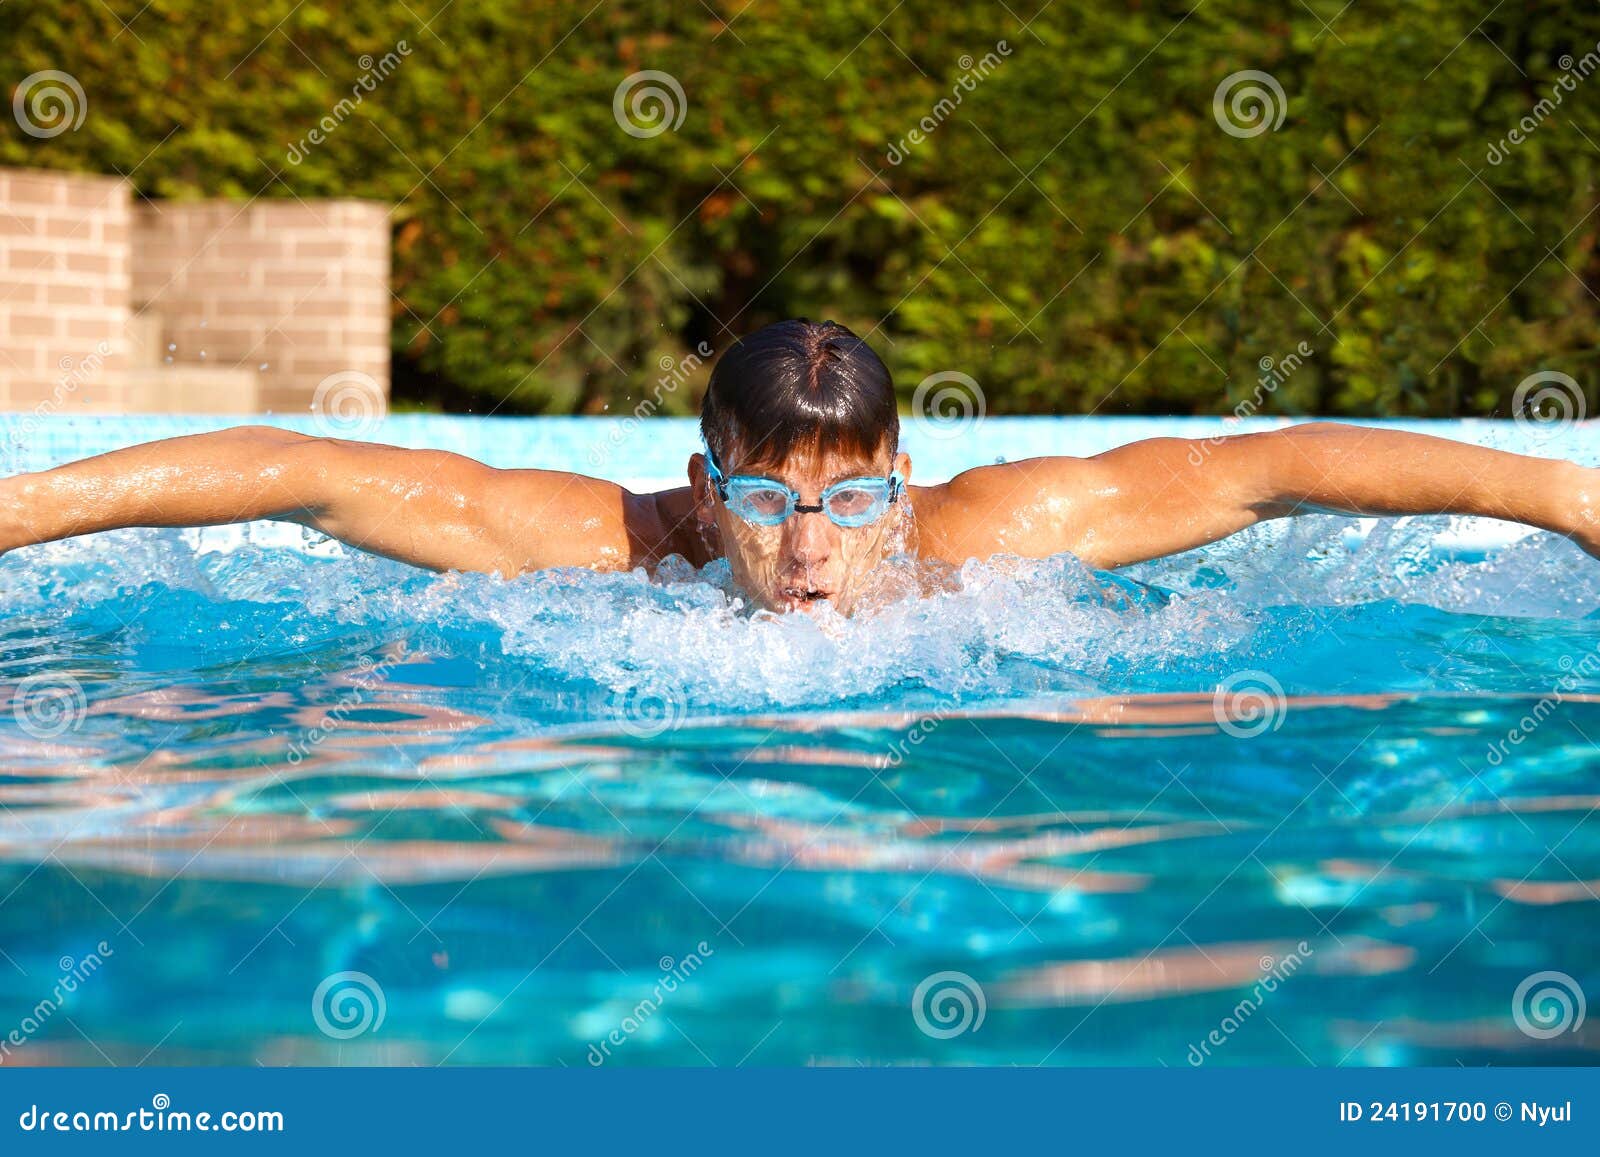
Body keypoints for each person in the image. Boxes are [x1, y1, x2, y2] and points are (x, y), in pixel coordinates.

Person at [2, 319, 1596, 615]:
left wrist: (1570, 498)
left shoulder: (984, 538)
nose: (811, 547)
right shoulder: (622, 548)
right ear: (708, 490)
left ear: (903, 480)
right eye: (765, 502)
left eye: (849, 499)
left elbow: (1278, 466)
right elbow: (293, 466)